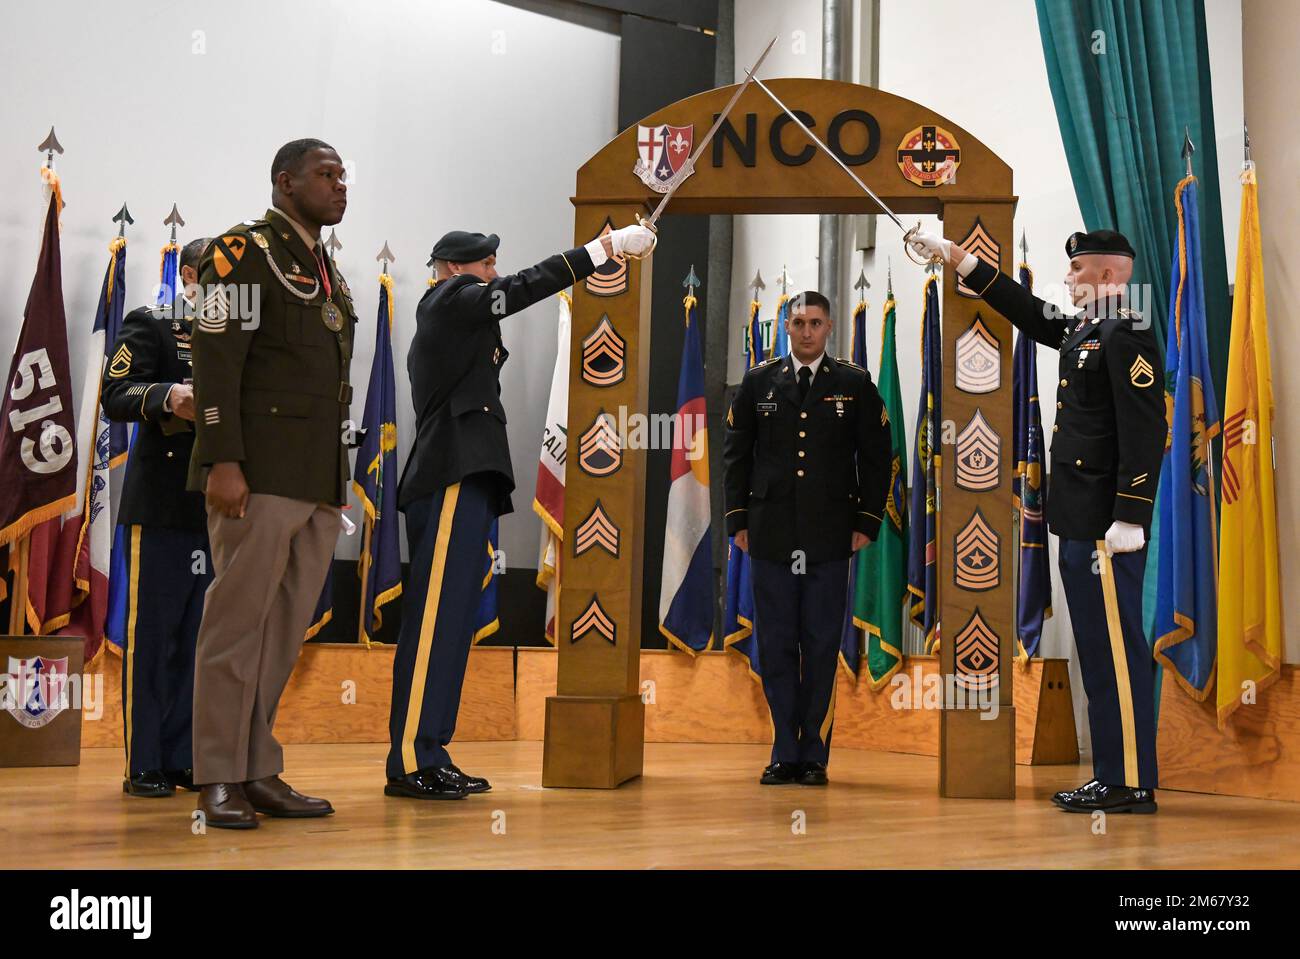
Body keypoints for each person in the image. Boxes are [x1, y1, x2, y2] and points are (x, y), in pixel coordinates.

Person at [385, 223, 654, 800]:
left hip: (469, 474)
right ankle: (410, 758)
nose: (494, 274)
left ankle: (431, 750)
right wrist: (600, 252)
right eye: (487, 266)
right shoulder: (449, 299)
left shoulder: (460, 314)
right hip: (450, 472)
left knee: (453, 624)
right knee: (435, 623)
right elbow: (523, 287)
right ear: (458, 268)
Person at [909, 227, 1165, 814]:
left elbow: (1145, 430)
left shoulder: (1128, 334)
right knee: (1096, 650)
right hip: (1079, 521)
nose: (1069, 279)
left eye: (1078, 271)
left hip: (1107, 525)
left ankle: (1129, 780)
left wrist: (1131, 513)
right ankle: (1112, 774)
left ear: (1108, 275)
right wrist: (957, 259)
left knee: (1117, 650)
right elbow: (1029, 313)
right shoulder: (1084, 330)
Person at [188, 138, 355, 828]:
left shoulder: (326, 268)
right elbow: (215, 355)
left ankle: (258, 766)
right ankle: (218, 776)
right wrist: (223, 457)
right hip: (255, 474)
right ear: (285, 182)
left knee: (282, 632)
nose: (340, 184)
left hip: (314, 476)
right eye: (326, 174)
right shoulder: (241, 251)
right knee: (235, 631)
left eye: (344, 174)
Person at [722, 290, 891, 786]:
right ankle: (783, 748)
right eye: (798, 322)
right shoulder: (758, 383)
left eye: (815, 323)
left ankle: (814, 752)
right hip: (771, 535)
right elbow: (736, 457)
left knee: (819, 643)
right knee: (776, 643)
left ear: (829, 327)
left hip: (829, 535)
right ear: (787, 326)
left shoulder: (854, 384)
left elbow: (879, 457)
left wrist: (867, 520)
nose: (806, 332)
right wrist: (739, 523)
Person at [103, 236, 212, 798]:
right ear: (190, 276)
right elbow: (116, 393)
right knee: (155, 638)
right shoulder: (152, 322)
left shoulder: (242, 335)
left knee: (201, 641)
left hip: (219, 508)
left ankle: (183, 755)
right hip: (165, 502)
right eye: (216, 275)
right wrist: (170, 395)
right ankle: (144, 759)